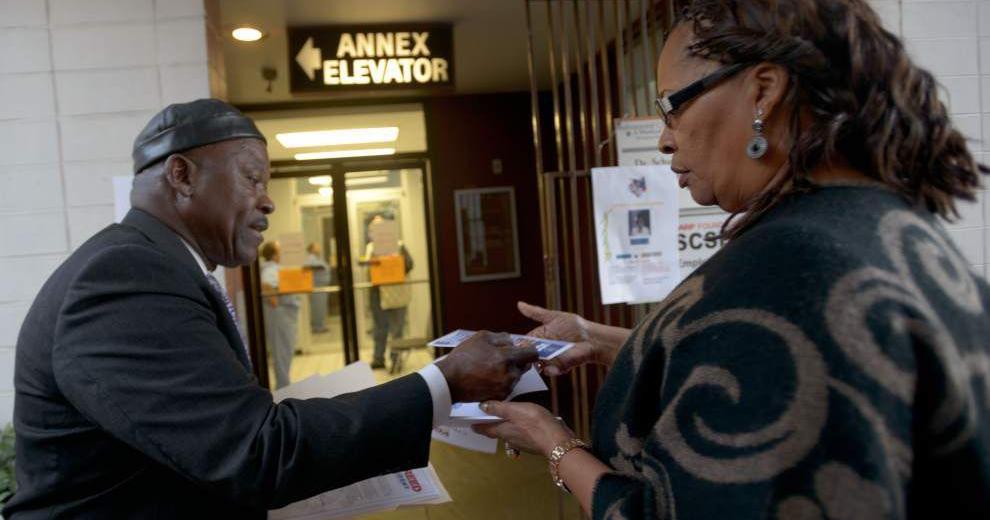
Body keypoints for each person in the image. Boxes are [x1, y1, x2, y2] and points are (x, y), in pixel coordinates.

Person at [476, 2, 990, 518]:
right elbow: (761, 361)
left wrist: (556, 443)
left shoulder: (785, 269)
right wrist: (596, 337)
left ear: (763, 91)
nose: (664, 137)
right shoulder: (889, 231)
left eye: (672, 107)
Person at [5, 99, 538, 518]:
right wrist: (443, 381)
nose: (268, 200)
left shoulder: (154, 264)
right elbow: (254, 453)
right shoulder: (126, 276)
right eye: (251, 177)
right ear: (182, 175)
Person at [362, 214, 414, 370]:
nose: (375, 231)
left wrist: (394, 262)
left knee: (397, 328)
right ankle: (378, 359)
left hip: (396, 293)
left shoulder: (399, 245)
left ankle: (396, 359)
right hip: (377, 294)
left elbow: (409, 264)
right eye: (372, 228)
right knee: (380, 328)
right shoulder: (370, 248)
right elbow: (369, 270)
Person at [259, 241, 300, 389]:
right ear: (275, 255)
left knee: (285, 351)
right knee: (282, 352)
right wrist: (274, 300)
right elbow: (266, 285)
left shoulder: (273, 268)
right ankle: (283, 388)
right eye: (280, 250)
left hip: (284, 315)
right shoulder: (270, 269)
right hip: (280, 315)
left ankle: (284, 386)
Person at [303, 242, 332, 334]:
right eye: (316, 246)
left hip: (322, 286)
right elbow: (308, 267)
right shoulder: (311, 258)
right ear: (311, 249)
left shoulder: (318, 258)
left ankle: (320, 325)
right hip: (316, 286)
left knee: (321, 307)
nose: (319, 248)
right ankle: (317, 327)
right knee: (318, 307)